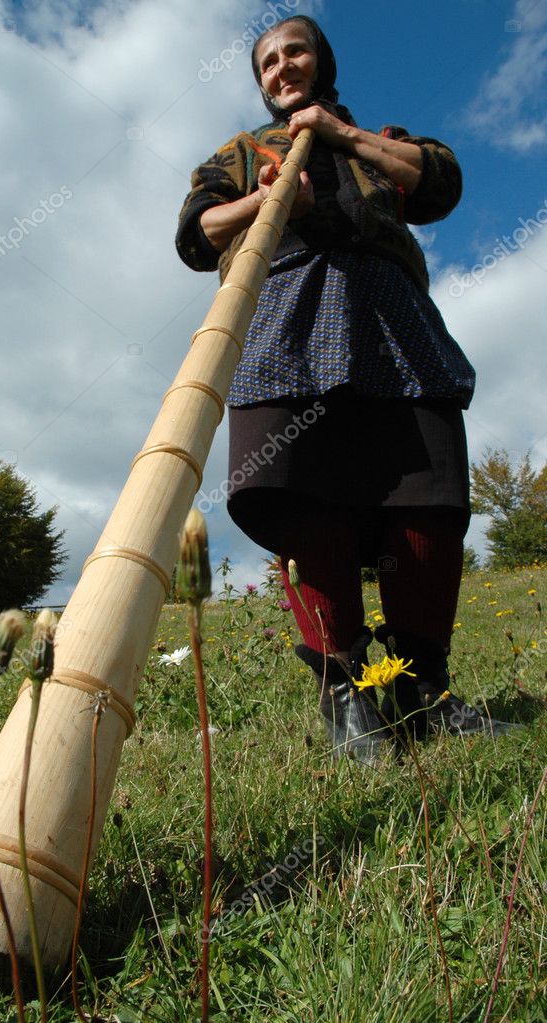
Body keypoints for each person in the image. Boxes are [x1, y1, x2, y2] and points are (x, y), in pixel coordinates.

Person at [176, 15, 517, 763]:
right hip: (285, 314)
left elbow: (440, 180)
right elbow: (197, 235)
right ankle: (346, 691)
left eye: (293, 51)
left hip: (389, 314)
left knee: (425, 488)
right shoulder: (243, 152)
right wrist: (270, 203)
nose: (280, 67)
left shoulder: (380, 137)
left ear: (321, 63)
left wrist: (339, 132)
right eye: (266, 61)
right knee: (297, 491)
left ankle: (423, 690)